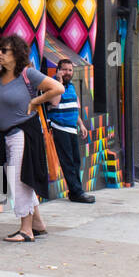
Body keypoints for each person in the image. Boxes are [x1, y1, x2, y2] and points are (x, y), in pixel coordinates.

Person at [0, 35, 65, 243]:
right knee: (18, 178)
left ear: (17, 53)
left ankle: (26, 230)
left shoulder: (27, 74)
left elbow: (58, 88)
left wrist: (36, 101)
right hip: (6, 135)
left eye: (4, 50)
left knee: (19, 180)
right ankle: (37, 224)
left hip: (23, 133)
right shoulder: (1, 75)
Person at [43, 58, 96, 203]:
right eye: (65, 69)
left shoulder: (71, 86)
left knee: (75, 162)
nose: (68, 72)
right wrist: (59, 82)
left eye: (70, 70)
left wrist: (81, 124)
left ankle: (75, 191)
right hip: (59, 127)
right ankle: (77, 192)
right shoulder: (52, 84)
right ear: (58, 70)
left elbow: (73, 107)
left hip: (72, 128)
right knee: (68, 162)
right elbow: (54, 102)